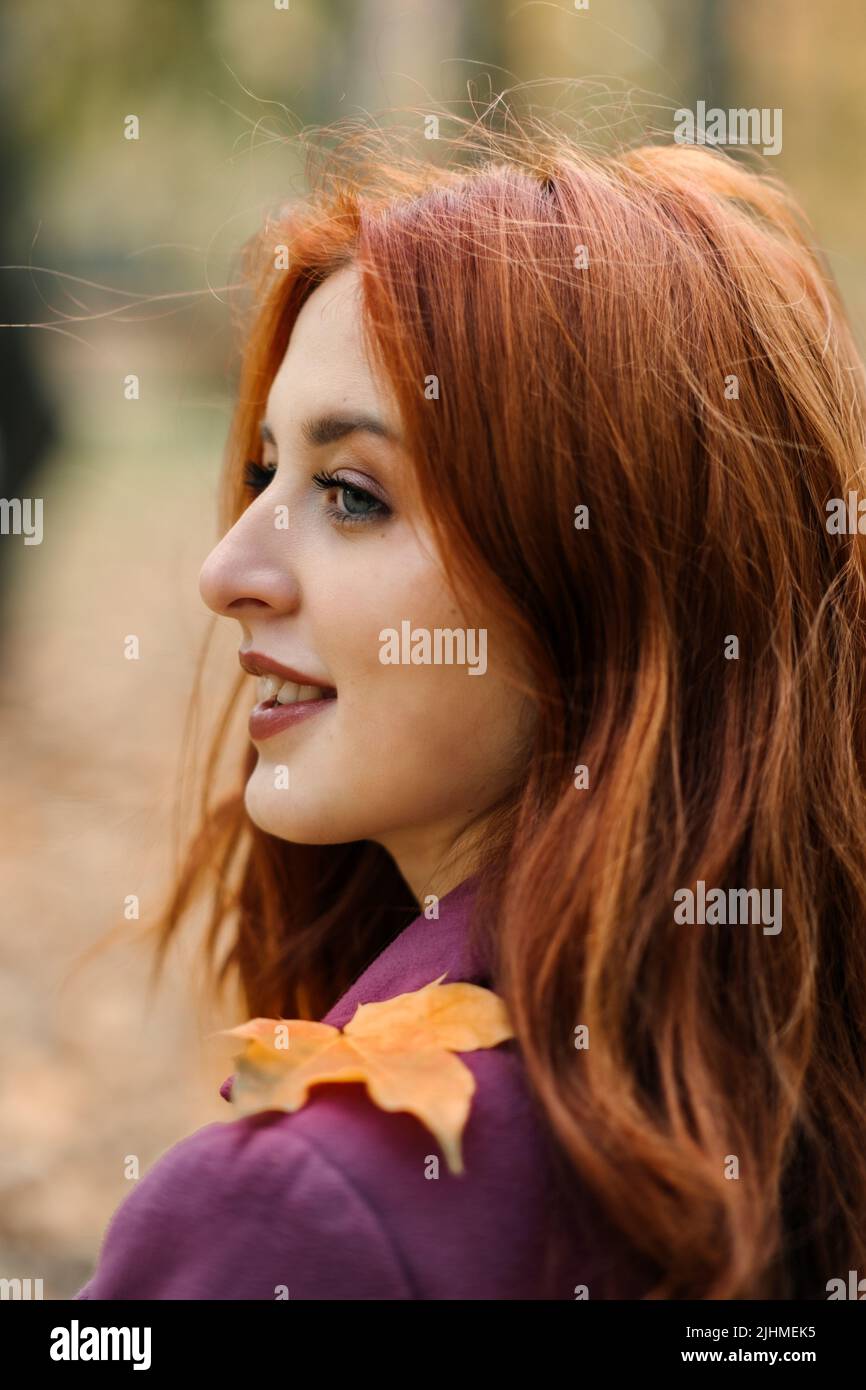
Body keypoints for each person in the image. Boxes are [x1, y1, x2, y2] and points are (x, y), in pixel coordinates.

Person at [76, 115, 866, 1300]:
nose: (226, 569)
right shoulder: (796, 1121)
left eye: (349, 493)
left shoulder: (300, 1217)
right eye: (261, 474)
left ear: (606, 580)